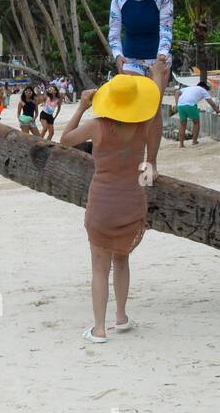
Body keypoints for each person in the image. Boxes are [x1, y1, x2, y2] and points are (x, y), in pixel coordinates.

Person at [58, 74, 162, 343]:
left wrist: (81, 106)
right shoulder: (144, 124)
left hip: (102, 202)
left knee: (99, 267)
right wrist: (159, 75)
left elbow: (65, 139)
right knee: (122, 261)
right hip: (131, 201)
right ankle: (121, 317)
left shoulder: (97, 126)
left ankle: (100, 329)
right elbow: (156, 108)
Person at [108, 0, 174, 86]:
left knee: (154, 105)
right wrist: (118, 55)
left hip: (157, 60)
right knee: (134, 104)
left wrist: (161, 57)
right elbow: (114, 33)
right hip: (130, 60)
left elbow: (166, 31)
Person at [175, 80, 220, 146]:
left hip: (180, 106)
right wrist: (217, 110)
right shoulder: (203, 90)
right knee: (196, 122)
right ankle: (194, 141)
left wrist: (177, 104)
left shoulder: (189, 88)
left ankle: (181, 144)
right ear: (205, 88)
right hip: (190, 105)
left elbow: (177, 92)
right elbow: (211, 103)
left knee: (182, 125)